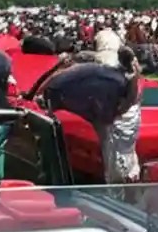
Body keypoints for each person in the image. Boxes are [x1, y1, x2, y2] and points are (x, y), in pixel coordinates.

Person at [37, 48, 142, 183]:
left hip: (110, 113)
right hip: (113, 113)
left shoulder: (100, 77)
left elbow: (119, 108)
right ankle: (123, 184)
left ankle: (120, 186)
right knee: (119, 155)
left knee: (116, 156)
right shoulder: (113, 77)